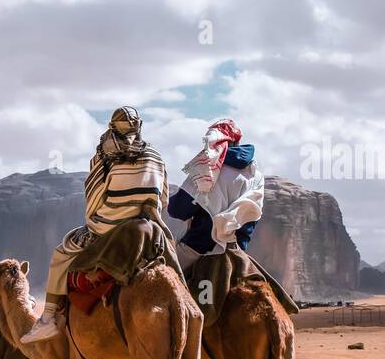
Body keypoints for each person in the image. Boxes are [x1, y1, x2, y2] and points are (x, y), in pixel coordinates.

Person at [21, 106, 168, 342]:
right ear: (138, 126)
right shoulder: (156, 156)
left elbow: (94, 199)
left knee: (60, 254)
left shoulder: (104, 156)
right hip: (150, 227)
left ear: (112, 127)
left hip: (110, 228)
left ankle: (48, 319)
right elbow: (163, 200)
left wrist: (94, 222)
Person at [167, 118, 264, 271]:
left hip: (198, 248)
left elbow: (178, 210)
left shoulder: (206, 170)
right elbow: (253, 217)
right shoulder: (256, 175)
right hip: (237, 252)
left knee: (162, 276)